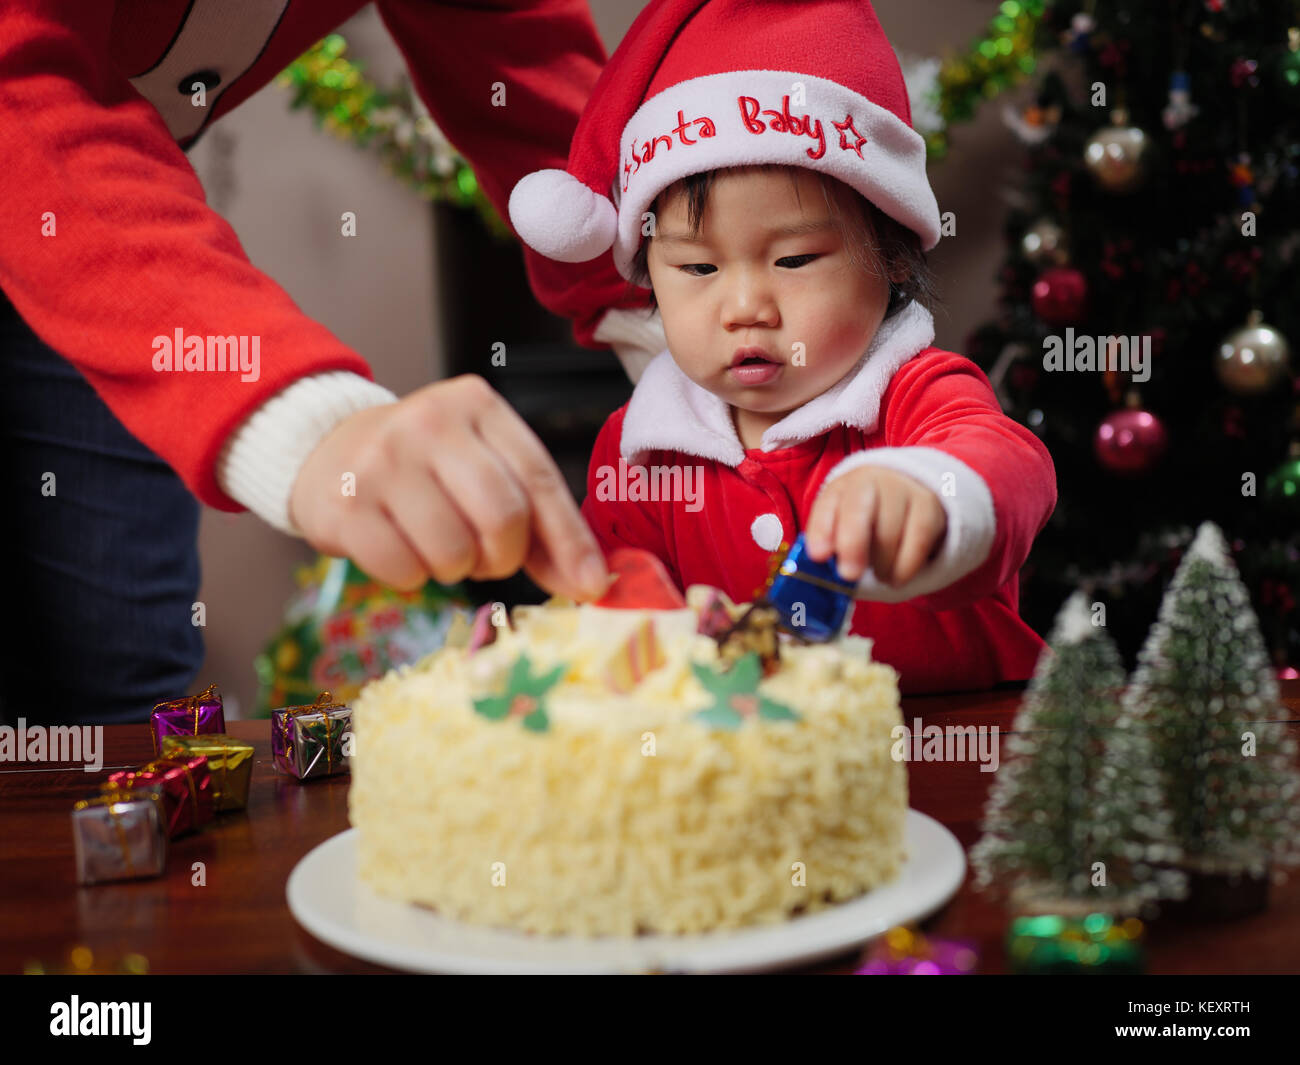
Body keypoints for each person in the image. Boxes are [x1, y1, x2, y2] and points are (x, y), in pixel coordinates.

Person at [0, 0, 667, 726]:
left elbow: (509, 44)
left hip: (84, 227)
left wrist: (667, 320)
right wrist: (304, 418)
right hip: (56, 193)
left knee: (118, 688)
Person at [509, 0, 1058, 694]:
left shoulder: (913, 393)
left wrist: (932, 493)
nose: (744, 309)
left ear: (890, 253)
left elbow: (1014, 469)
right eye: (699, 269)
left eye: (795, 260)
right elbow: (616, 610)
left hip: (964, 755)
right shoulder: (640, 451)